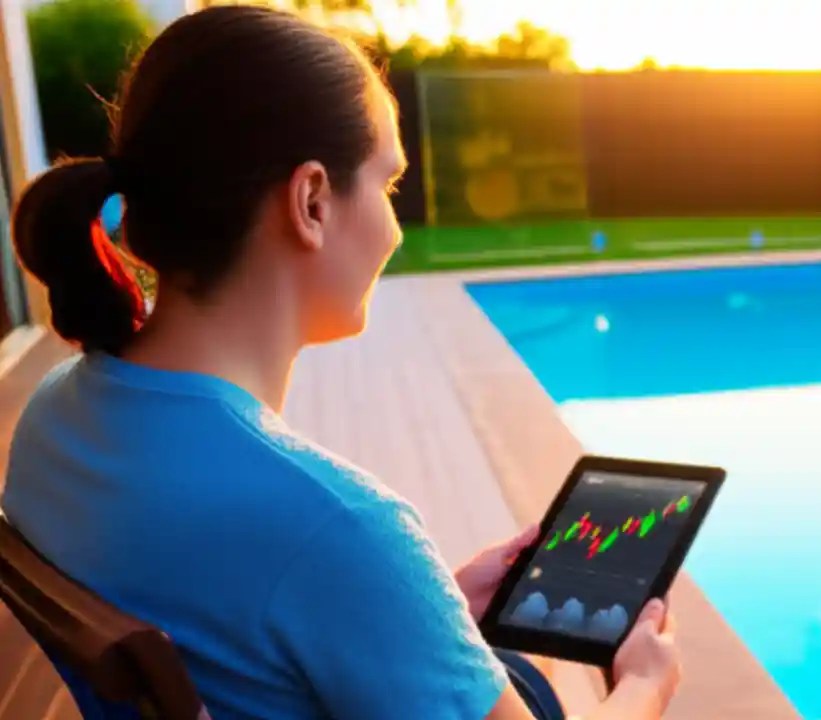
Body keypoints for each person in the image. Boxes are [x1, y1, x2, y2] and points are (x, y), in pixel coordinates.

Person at [0, 7, 681, 720]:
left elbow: (237, 625)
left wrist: (419, 611)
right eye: (389, 187)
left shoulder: (53, 418)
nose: (393, 227)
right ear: (312, 202)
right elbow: (304, 557)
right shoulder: (338, 526)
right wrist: (645, 683)